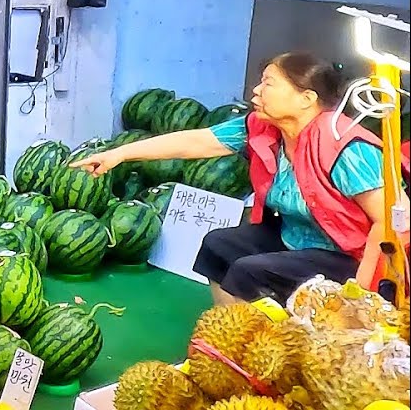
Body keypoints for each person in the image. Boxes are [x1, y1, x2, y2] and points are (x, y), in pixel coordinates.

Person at [72, 52, 410, 305]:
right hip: (295, 238)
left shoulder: (345, 145)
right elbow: (197, 141)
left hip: (350, 257)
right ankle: (229, 339)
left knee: (247, 271)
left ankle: (248, 354)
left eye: (268, 83)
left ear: (306, 99)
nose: (255, 90)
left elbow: (390, 221)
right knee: (218, 246)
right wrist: (120, 154)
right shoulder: (263, 129)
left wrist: (359, 294)